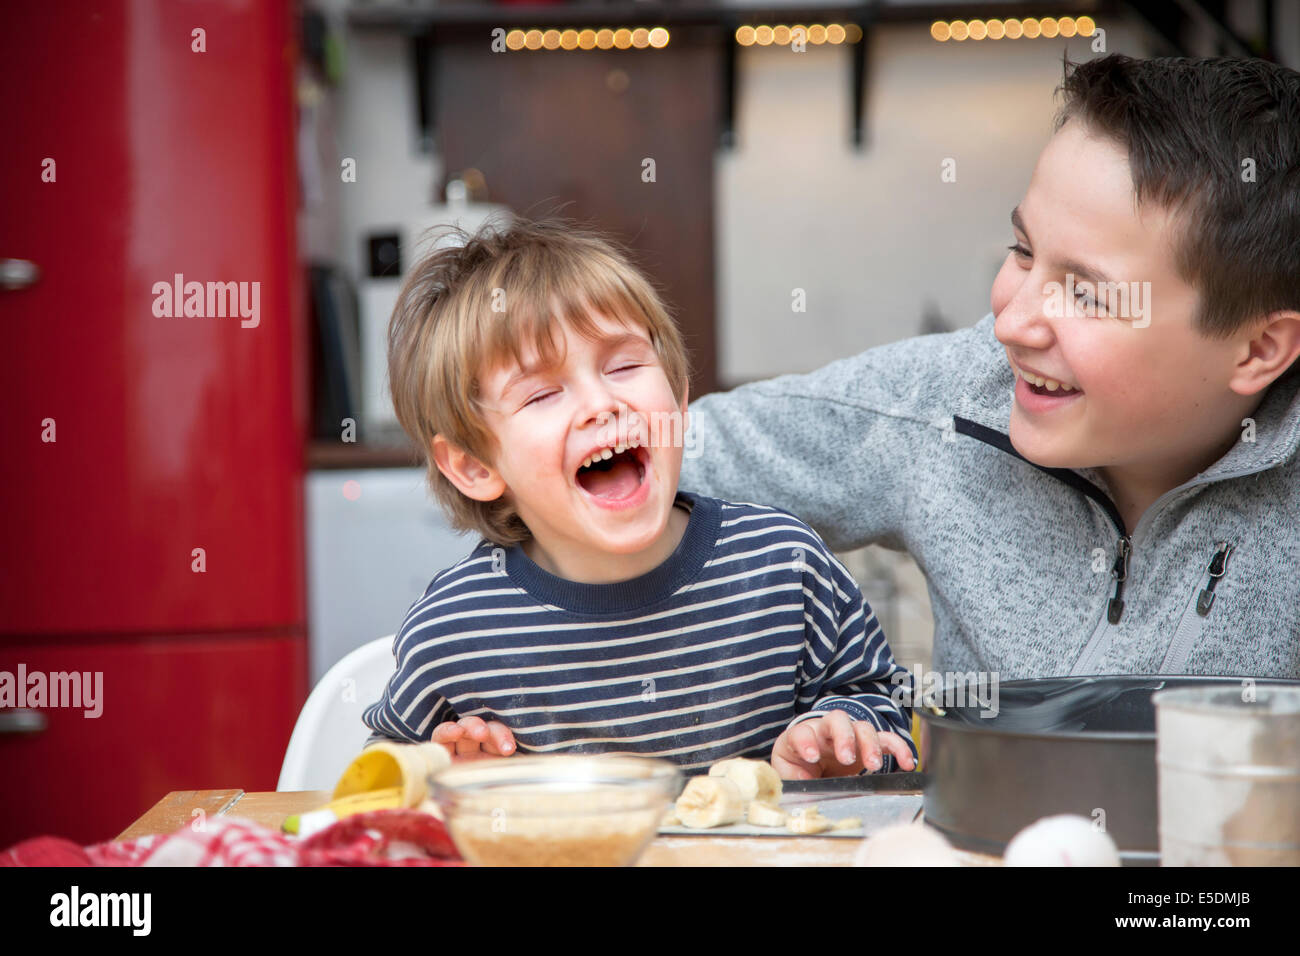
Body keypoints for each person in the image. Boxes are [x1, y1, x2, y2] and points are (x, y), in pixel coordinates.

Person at [679, 54, 1300, 681]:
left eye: (1087, 295)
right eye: (1024, 252)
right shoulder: (943, 401)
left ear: (1259, 350)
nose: (1010, 324)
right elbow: (663, 455)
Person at [362, 218, 918, 778]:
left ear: (678, 400)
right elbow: (379, 776)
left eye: (624, 366)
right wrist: (447, 772)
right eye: (542, 394)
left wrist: (840, 736)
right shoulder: (456, 625)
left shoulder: (785, 566)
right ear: (474, 465)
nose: (601, 404)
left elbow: (883, 706)